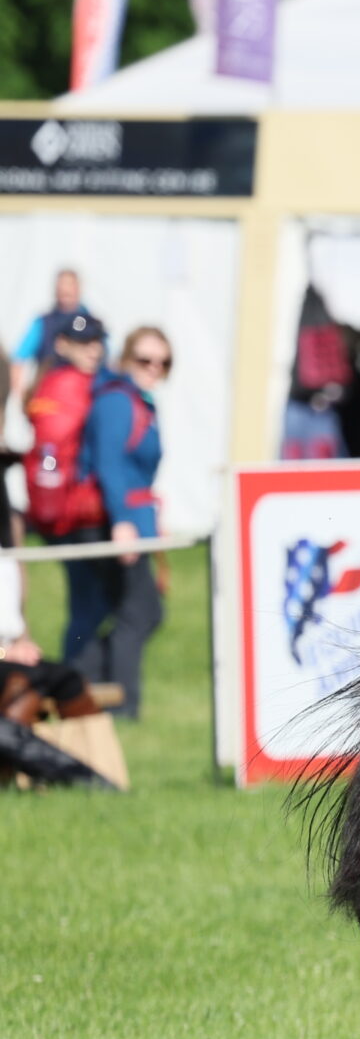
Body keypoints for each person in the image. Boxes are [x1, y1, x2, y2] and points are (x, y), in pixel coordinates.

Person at [58, 326, 169, 719]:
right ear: (125, 358)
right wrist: (124, 522)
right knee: (135, 612)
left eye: (163, 362)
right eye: (145, 360)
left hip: (126, 520)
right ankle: (116, 705)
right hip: (110, 523)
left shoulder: (137, 400)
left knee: (123, 612)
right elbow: (109, 463)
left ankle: (79, 685)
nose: (154, 368)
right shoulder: (117, 402)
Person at [13, 269, 94, 417]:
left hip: (83, 403)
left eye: (69, 286)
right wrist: (24, 397)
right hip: (49, 402)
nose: (65, 291)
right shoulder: (43, 323)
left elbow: (109, 362)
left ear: (79, 289)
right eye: (61, 287)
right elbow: (18, 361)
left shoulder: (92, 323)